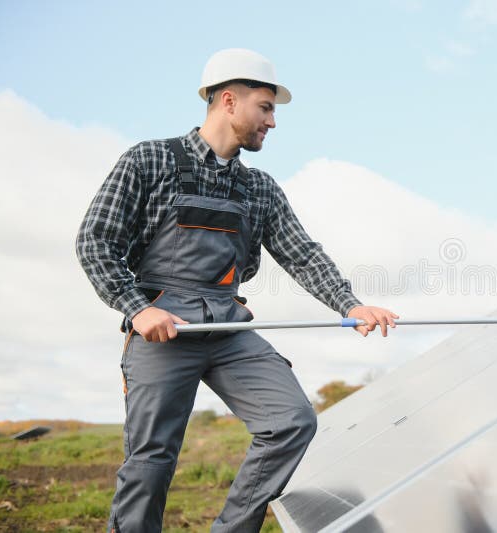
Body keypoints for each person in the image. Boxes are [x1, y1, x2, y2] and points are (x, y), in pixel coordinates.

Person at [75, 48, 398, 533]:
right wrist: (136, 309)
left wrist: (350, 304)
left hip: (228, 326)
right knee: (151, 460)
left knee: (291, 421)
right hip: (164, 325)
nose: (272, 121)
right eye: (266, 108)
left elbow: (302, 254)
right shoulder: (150, 160)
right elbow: (95, 241)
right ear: (229, 100)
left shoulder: (260, 188)